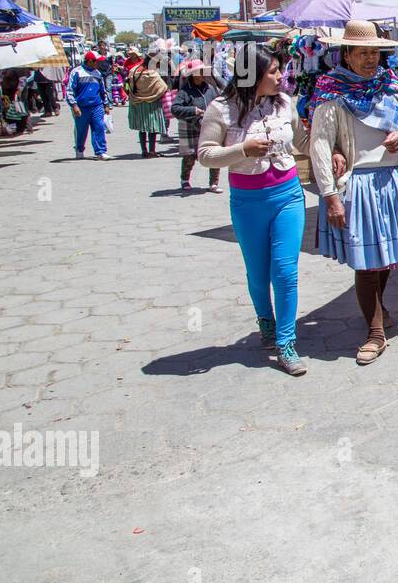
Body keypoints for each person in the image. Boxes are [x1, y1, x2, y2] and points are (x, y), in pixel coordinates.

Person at [309, 20, 398, 365]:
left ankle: (378, 311)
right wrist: (330, 195)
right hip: (357, 186)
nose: (370, 59)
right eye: (362, 53)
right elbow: (320, 146)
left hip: (390, 183)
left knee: (384, 259)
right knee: (367, 264)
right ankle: (375, 333)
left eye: (374, 53)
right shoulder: (331, 93)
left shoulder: (390, 87)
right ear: (346, 55)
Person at [198, 46, 308, 376]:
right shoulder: (221, 109)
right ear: (252, 74)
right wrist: (241, 149)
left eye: (280, 70)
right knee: (258, 274)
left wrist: (331, 148)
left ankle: (287, 343)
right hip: (248, 202)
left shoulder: (285, 102)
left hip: (288, 194)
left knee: (285, 271)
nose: (280, 76)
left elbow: (302, 140)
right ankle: (266, 322)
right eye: (273, 71)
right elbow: (205, 155)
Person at [171, 58, 222, 192]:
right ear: (193, 74)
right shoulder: (185, 91)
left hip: (209, 125)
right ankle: (185, 180)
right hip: (191, 125)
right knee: (190, 156)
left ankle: (214, 183)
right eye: (200, 71)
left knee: (213, 153)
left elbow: (218, 102)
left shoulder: (210, 88)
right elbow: (175, 108)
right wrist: (193, 110)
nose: (203, 73)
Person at [65, 51, 112, 159]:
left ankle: (100, 151)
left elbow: (102, 90)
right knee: (81, 130)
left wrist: (106, 105)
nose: (99, 65)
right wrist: (74, 105)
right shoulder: (76, 72)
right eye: (97, 62)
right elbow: (69, 90)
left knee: (99, 127)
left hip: (96, 105)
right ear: (90, 61)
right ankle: (79, 149)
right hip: (81, 107)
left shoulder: (98, 73)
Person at [126, 51, 170, 157]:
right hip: (152, 103)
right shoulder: (152, 73)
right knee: (152, 128)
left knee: (142, 128)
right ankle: (152, 151)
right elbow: (163, 87)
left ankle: (144, 151)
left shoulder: (133, 70)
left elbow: (128, 86)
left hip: (137, 103)